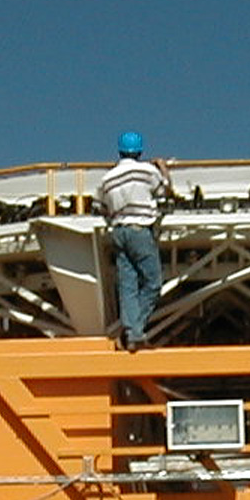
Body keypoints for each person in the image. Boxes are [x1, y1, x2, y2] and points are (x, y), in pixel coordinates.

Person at [94, 131, 174, 351]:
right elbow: (166, 191)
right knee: (153, 282)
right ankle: (136, 329)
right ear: (140, 151)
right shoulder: (147, 171)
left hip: (119, 232)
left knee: (127, 285)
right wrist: (163, 168)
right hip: (140, 231)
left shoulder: (107, 179)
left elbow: (100, 207)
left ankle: (131, 333)